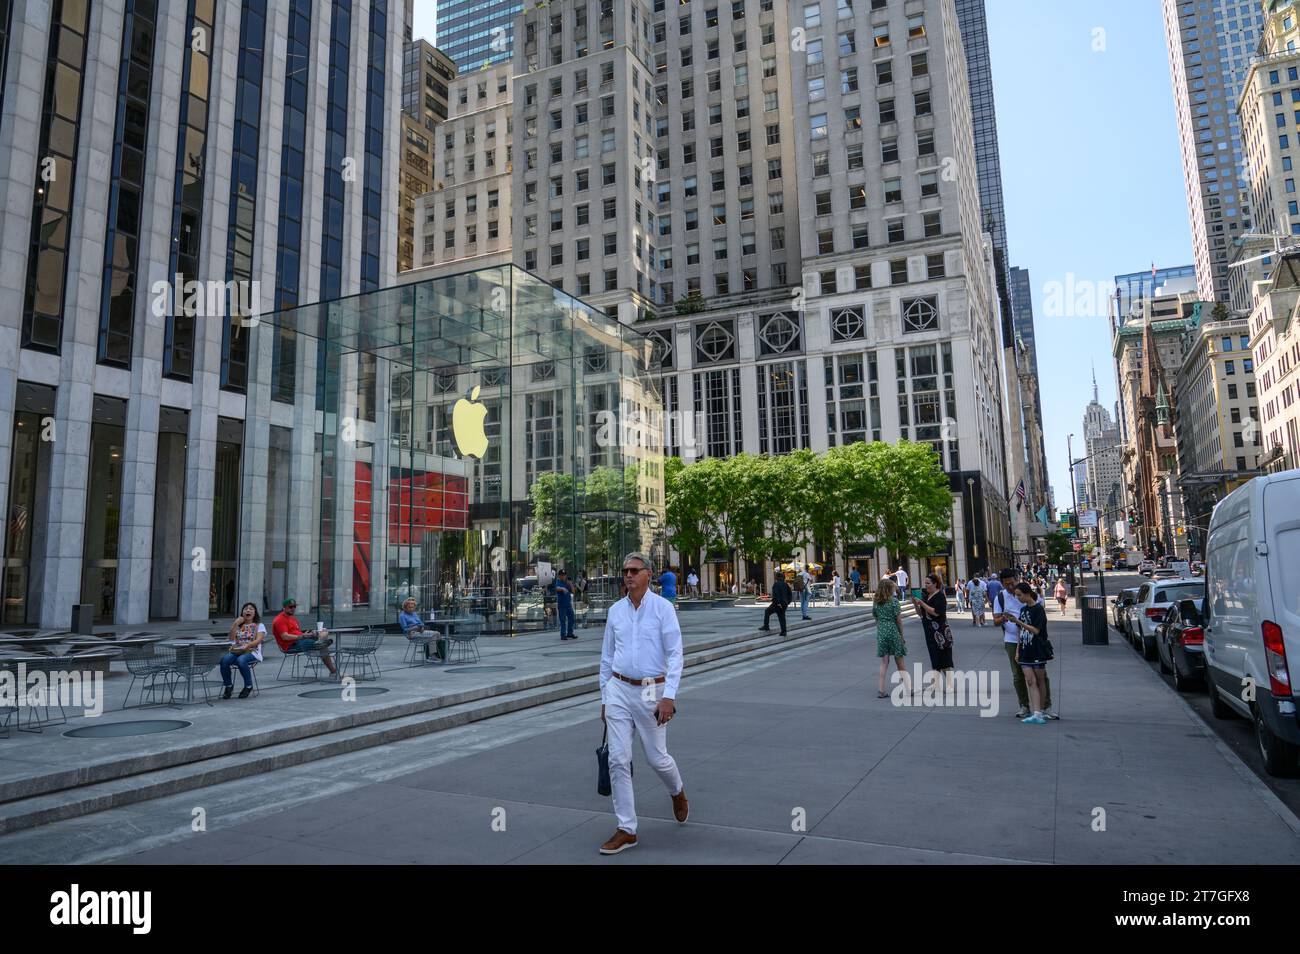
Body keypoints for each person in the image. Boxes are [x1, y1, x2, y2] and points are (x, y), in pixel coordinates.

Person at [598, 552, 687, 855]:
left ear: (649, 574)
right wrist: (604, 695)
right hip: (619, 689)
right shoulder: (615, 612)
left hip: (651, 688)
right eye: (625, 571)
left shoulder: (663, 609)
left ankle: (676, 791)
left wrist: (669, 696)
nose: (628, 576)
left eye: (634, 570)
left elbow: (675, 654)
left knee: (656, 757)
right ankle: (627, 828)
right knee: (618, 759)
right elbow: (607, 657)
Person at [992, 568, 1055, 720]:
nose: (1010, 587)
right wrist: (1005, 619)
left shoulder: (1028, 593)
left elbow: (1039, 612)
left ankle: (1045, 707)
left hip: (1033, 640)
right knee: (1018, 675)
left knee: (1041, 675)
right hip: (1013, 640)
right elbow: (995, 621)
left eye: (1012, 583)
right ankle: (1024, 706)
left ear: (1017, 579)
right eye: (1006, 584)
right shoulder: (1000, 597)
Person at [1013, 582, 1053, 724]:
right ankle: (1036, 712)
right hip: (1025, 648)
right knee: (1030, 680)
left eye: (1019, 595)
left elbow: (1036, 630)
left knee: (1040, 680)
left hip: (1037, 649)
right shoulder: (1023, 610)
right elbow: (1021, 632)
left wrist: (1018, 622)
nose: (1018, 598)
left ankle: (1040, 711)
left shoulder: (1038, 609)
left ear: (1027, 593)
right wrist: (1018, 650)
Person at [272, 598, 340, 678]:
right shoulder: (280, 620)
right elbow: (285, 636)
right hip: (290, 645)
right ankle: (320, 645)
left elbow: (297, 632)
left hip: (299, 640)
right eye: (290, 607)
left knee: (320, 636)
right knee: (320, 645)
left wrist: (307, 634)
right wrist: (302, 636)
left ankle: (320, 643)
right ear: (284, 607)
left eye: (294, 607)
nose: (293, 609)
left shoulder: (293, 619)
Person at [912, 573, 953, 693]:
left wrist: (922, 604)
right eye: (925, 583)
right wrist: (916, 604)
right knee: (934, 657)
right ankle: (935, 684)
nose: (926, 586)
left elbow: (936, 613)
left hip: (940, 631)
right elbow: (921, 614)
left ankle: (950, 685)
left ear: (935, 584)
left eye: (928, 583)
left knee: (944, 657)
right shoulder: (926, 596)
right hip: (929, 631)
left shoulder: (940, 596)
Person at [873, 578, 910, 698]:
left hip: (882, 631)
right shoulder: (893, 602)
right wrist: (901, 635)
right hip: (893, 630)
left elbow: (876, 618)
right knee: (900, 661)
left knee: (884, 662)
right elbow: (899, 620)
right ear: (889, 589)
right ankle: (908, 688)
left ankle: (881, 689)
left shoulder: (876, 602)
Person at [220, 602, 265, 699]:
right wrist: (235, 623)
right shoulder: (239, 626)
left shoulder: (259, 625)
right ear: (242, 612)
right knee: (224, 660)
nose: (248, 610)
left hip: (252, 651)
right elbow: (231, 639)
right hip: (237, 651)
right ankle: (228, 686)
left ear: (255, 612)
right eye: (245, 609)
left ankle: (248, 686)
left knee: (241, 660)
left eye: (251, 609)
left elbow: (259, 640)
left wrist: (248, 645)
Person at [399, 597, 441, 661]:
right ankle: (432, 655)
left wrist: (422, 627)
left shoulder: (414, 614)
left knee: (437, 634)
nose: (411, 609)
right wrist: (414, 628)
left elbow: (421, 623)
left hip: (419, 631)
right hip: (411, 633)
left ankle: (431, 652)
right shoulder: (402, 616)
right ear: (405, 607)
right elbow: (405, 629)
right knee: (434, 634)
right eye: (409, 607)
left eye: (413, 607)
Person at [761, 572, 792, 636]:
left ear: (777, 577)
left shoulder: (776, 584)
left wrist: (778, 603)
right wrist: (787, 602)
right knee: (782, 617)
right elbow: (790, 594)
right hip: (784, 603)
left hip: (777, 603)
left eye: (775, 576)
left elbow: (776, 594)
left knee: (767, 612)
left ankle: (766, 626)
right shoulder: (785, 584)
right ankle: (784, 631)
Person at [556, 569, 577, 640]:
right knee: (563, 620)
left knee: (571, 618)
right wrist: (562, 588)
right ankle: (563, 634)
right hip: (562, 605)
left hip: (568, 604)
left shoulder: (567, 583)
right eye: (562, 575)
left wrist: (570, 583)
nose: (563, 576)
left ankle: (570, 633)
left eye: (564, 575)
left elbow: (574, 592)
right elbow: (557, 588)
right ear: (559, 576)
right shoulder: (558, 582)